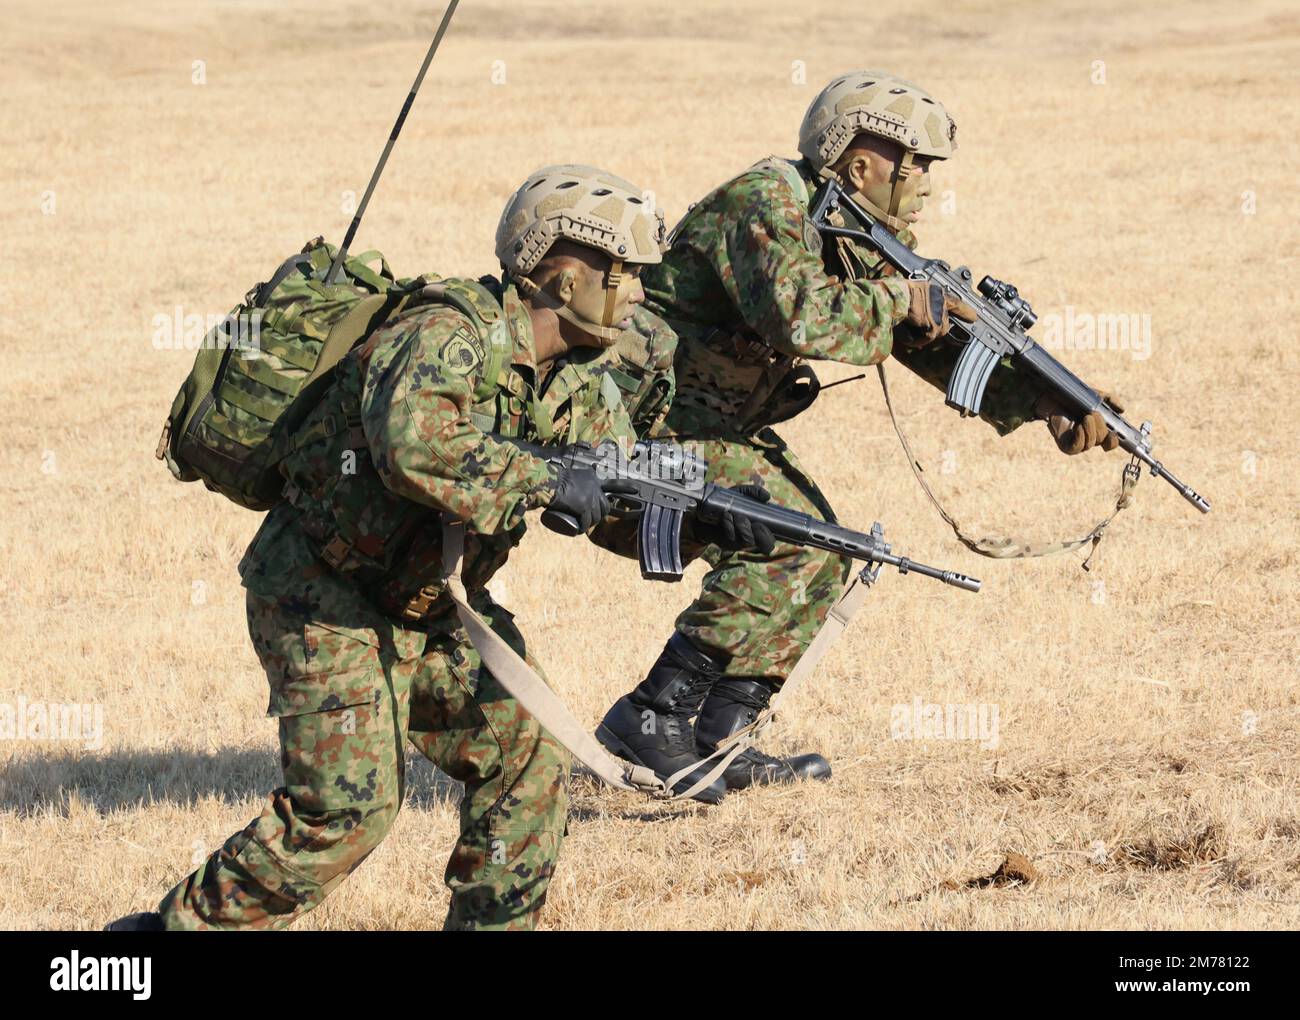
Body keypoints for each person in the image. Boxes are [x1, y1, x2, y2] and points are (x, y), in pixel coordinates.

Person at [107, 164, 679, 931]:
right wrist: (543, 477)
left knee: (530, 764)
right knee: (343, 815)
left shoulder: (581, 384)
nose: (640, 292)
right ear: (567, 277)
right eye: (627, 272)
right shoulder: (446, 331)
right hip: (322, 597)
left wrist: (697, 519)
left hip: (431, 607)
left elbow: (603, 501)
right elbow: (412, 445)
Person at [598, 71, 1122, 799]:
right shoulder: (767, 201)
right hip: (636, 427)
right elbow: (802, 316)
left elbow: (926, 347)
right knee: (782, 537)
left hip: (707, 425)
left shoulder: (860, 232)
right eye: (921, 165)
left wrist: (1046, 403)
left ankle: (722, 738)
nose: (930, 185)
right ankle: (652, 717)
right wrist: (900, 297)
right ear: (862, 158)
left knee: (822, 545)